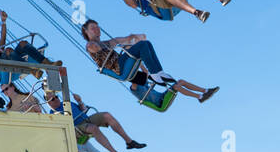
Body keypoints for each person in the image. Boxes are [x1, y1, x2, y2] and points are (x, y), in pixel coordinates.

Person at [81, 19, 218, 103]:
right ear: (86, 32)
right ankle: (157, 74)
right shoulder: (90, 45)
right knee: (140, 46)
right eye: (93, 28)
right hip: (119, 68)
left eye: (97, 26)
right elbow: (95, 47)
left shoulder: (108, 42)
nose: (97, 29)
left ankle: (158, 73)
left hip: (126, 65)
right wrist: (122, 44)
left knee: (146, 44)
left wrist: (133, 38)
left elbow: (124, 40)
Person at [46, 91, 146, 152]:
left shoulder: (68, 103)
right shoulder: (53, 113)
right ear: (48, 103)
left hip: (85, 119)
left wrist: (79, 101)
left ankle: (129, 142)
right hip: (77, 128)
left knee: (107, 115)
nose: (56, 99)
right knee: (93, 128)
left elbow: (83, 109)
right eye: (53, 99)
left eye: (56, 97)